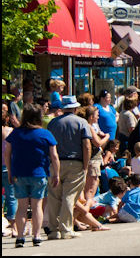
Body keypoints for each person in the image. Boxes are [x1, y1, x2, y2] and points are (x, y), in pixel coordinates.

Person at [5, 107, 60, 248]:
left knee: (21, 207)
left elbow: (7, 153)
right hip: (39, 174)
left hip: (19, 174)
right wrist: (56, 174)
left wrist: (10, 171)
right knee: (37, 206)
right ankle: (36, 236)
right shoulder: (45, 134)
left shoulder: (16, 133)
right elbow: (54, 156)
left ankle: (20, 237)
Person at [45, 95, 91, 241]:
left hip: (55, 162)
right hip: (75, 162)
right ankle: (66, 228)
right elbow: (87, 145)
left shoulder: (53, 123)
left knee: (53, 196)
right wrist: (85, 165)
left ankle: (52, 229)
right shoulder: (81, 122)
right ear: (76, 108)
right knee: (69, 196)